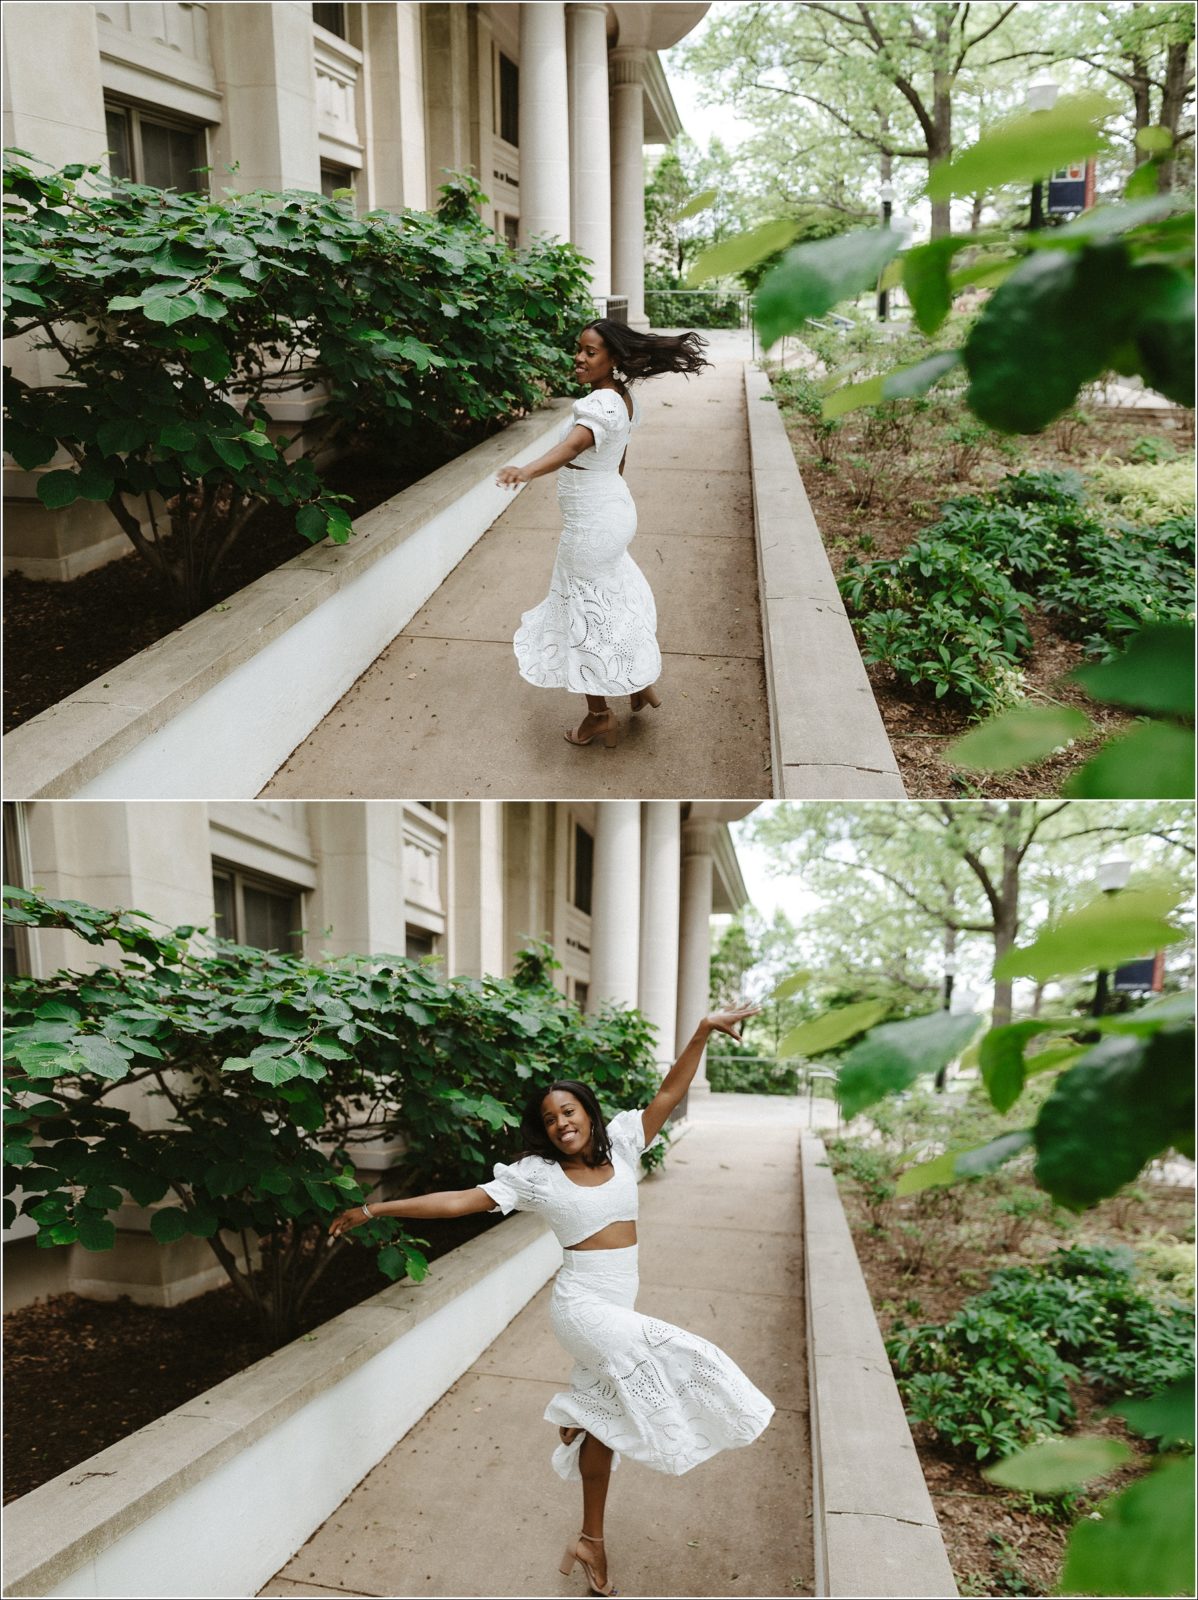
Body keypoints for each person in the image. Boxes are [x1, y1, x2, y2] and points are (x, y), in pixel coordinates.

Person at [329, 1004, 773, 1597]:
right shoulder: (535, 1175)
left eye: (569, 1110)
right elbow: (460, 1202)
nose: (562, 1122)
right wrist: (373, 1207)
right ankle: (575, 1414)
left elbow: (669, 1092)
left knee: (606, 1428)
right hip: (582, 1308)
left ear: (587, 1113)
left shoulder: (622, 1143)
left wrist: (699, 1034)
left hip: (619, 1301)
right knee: (682, 1354)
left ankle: (591, 1538)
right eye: (550, 1118)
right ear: (544, 1130)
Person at [495, 320, 712, 751]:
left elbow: (573, 447)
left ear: (613, 357)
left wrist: (526, 470)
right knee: (613, 600)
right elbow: (617, 458)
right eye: (579, 349)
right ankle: (638, 683)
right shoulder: (624, 400)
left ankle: (599, 717)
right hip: (612, 509)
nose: (579, 357)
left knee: (583, 617)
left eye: (590, 352)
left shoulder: (602, 404)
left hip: (592, 523)